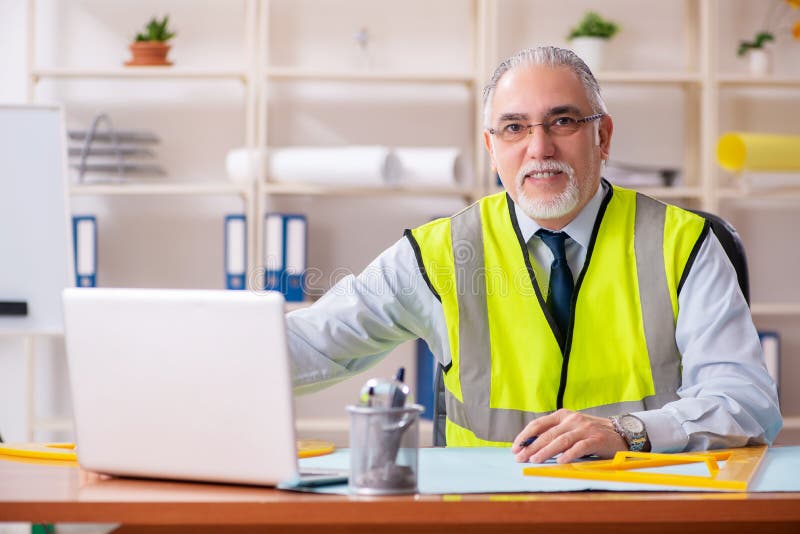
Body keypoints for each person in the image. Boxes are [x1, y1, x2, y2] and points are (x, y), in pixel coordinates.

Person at [286, 46, 782, 464]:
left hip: (641, 508)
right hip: (481, 513)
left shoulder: (685, 243)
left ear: (603, 136)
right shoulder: (438, 253)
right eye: (514, 127)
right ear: (491, 147)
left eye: (562, 121)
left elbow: (746, 401)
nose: (539, 148)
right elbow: (314, 342)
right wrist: (236, 344)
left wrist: (629, 431)